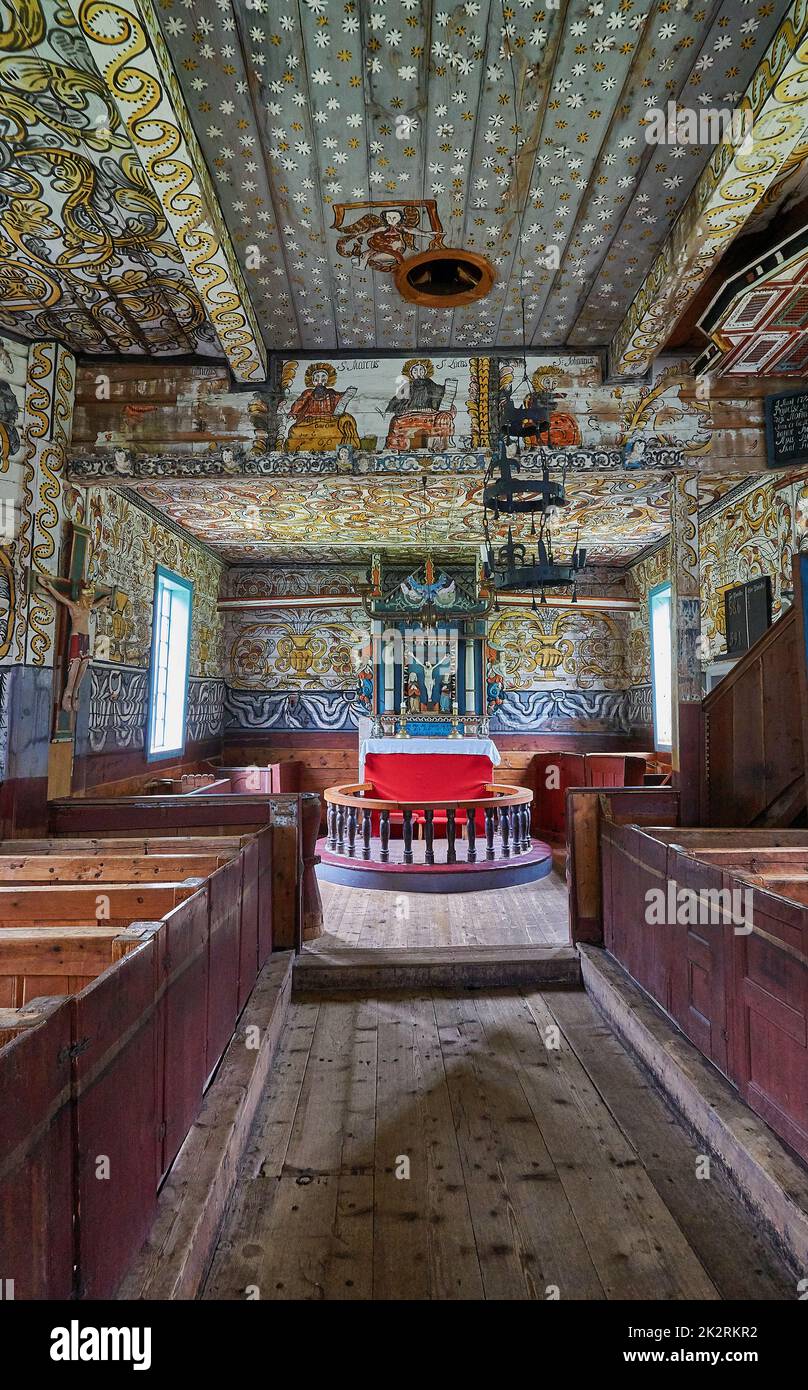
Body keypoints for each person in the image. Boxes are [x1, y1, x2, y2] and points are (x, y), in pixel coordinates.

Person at [40, 579, 111, 713]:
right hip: (76, 636)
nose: (90, 601)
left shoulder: (88, 608)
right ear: (82, 597)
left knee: (84, 663)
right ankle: (68, 693)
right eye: (88, 598)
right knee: (75, 663)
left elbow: (96, 605)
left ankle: (75, 692)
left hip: (86, 638)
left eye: (91, 598)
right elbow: (60, 598)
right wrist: (50, 587)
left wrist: (103, 600)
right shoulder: (73, 606)